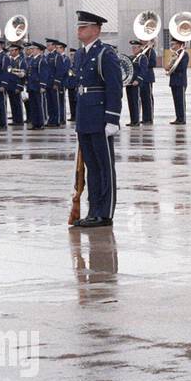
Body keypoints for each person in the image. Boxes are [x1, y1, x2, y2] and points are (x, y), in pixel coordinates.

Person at [71, 12, 123, 228]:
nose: (79, 30)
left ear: (96, 29)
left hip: (101, 118)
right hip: (85, 117)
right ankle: (94, 209)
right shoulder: (81, 55)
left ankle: (105, 212)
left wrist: (113, 118)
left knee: (104, 166)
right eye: (79, 27)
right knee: (91, 166)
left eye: (84, 27)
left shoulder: (105, 54)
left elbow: (114, 87)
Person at [167, 39, 189, 125]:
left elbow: (182, 67)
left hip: (180, 80)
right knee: (176, 101)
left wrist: (172, 67)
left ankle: (182, 119)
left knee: (181, 101)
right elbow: (171, 65)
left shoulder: (184, 54)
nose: (172, 45)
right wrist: (168, 67)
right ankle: (178, 118)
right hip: (173, 81)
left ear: (179, 44)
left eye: (174, 44)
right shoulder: (175, 54)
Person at [26, 42, 47, 130]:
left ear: (38, 50)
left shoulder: (41, 60)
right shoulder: (32, 60)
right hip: (31, 85)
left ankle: (41, 123)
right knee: (33, 106)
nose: (32, 50)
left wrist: (42, 86)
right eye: (32, 49)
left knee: (39, 105)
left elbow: (43, 73)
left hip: (37, 85)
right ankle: (35, 123)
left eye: (34, 49)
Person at [46, 39, 68, 127]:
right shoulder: (47, 56)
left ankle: (57, 120)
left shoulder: (57, 56)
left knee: (56, 103)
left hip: (54, 83)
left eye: (49, 45)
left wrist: (56, 82)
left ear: (53, 46)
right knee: (50, 103)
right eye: (47, 45)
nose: (47, 47)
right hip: (48, 83)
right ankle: (51, 120)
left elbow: (60, 70)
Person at [5, 43, 26, 124]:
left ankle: (19, 120)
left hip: (16, 85)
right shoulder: (9, 60)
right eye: (10, 50)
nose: (10, 52)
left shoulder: (21, 61)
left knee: (17, 103)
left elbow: (23, 75)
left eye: (12, 50)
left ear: (17, 51)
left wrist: (19, 86)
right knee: (12, 103)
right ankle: (15, 119)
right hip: (10, 85)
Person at [125, 40, 143, 126]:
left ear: (140, 48)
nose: (133, 49)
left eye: (135, 47)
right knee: (130, 102)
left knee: (135, 102)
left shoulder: (142, 57)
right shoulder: (132, 57)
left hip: (136, 83)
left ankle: (136, 121)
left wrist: (138, 80)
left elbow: (143, 71)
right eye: (132, 48)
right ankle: (132, 120)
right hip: (129, 83)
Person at [138, 39, 157, 124]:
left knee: (148, 98)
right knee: (143, 99)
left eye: (142, 39)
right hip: (141, 77)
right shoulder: (140, 50)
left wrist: (143, 63)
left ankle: (149, 118)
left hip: (148, 77)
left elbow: (153, 63)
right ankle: (145, 118)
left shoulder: (150, 51)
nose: (141, 41)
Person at [65, 47, 78, 121]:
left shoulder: (78, 63)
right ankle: (73, 116)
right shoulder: (70, 64)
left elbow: (77, 74)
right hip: (70, 85)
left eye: (73, 55)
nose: (71, 56)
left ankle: (76, 115)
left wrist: (72, 73)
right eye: (70, 55)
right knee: (71, 101)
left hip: (75, 85)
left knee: (76, 101)